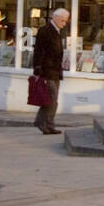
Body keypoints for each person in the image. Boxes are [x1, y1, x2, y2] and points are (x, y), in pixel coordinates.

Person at [32, 7, 69, 135]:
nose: (64, 24)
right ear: (56, 18)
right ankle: (45, 123)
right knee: (51, 99)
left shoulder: (57, 31)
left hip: (55, 70)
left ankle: (46, 123)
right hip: (47, 70)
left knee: (52, 99)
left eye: (66, 21)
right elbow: (39, 51)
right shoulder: (46, 31)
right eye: (63, 21)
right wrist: (37, 68)